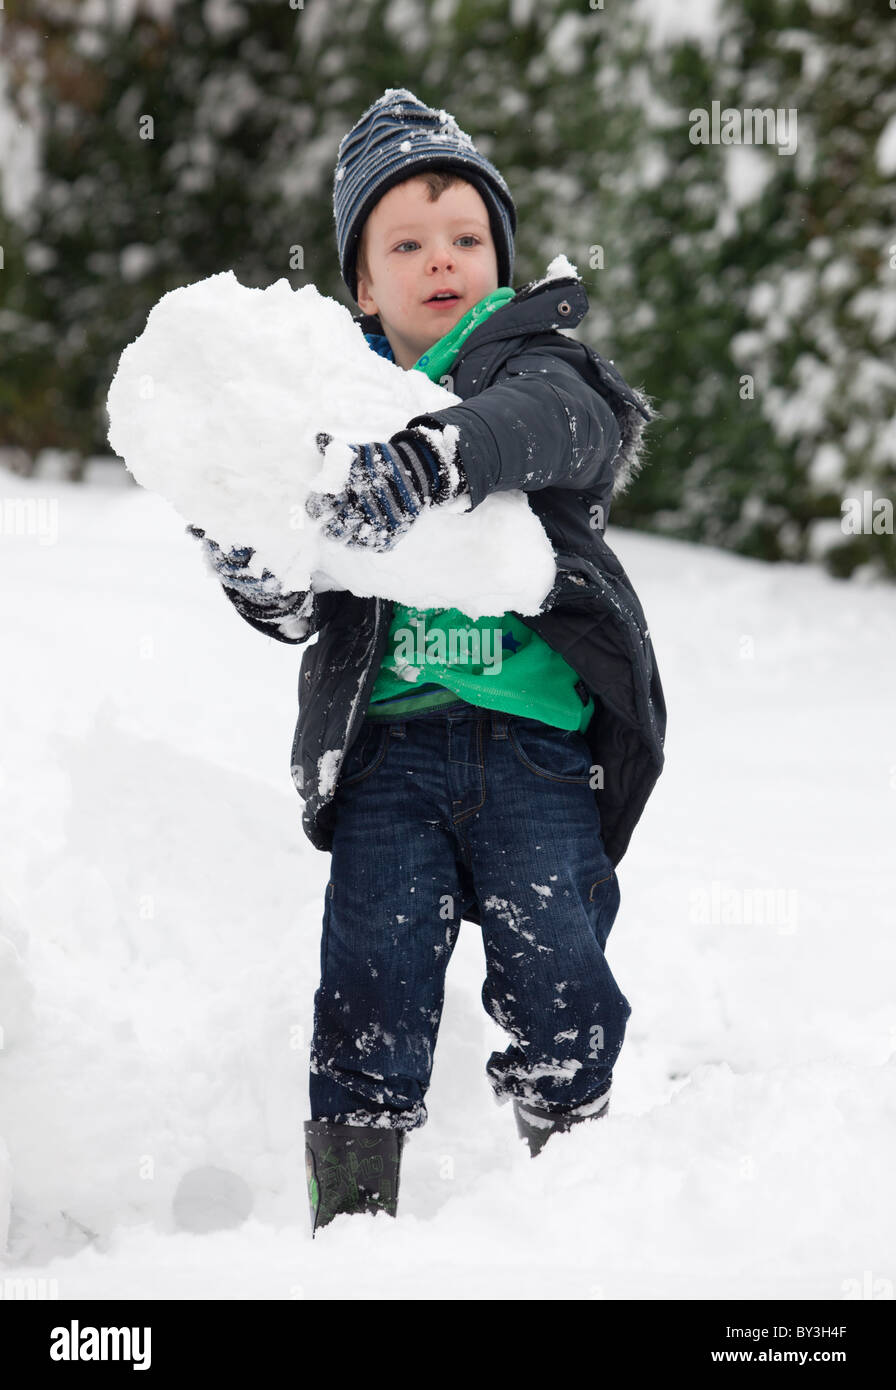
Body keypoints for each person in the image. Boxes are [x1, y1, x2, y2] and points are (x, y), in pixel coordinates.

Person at [189, 88, 666, 1237]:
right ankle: (352, 1220)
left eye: (464, 239)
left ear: (498, 262)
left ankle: (582, 1189)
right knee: (368, 978)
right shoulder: (322, 405)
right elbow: (301, 586)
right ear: (362, 282)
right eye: (405, 243)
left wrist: (434, 455)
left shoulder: (532, 363)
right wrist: (262, 572)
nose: (439, 260)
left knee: (556, 960)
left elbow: (561, 429)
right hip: (388, 759)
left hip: (533, 752)